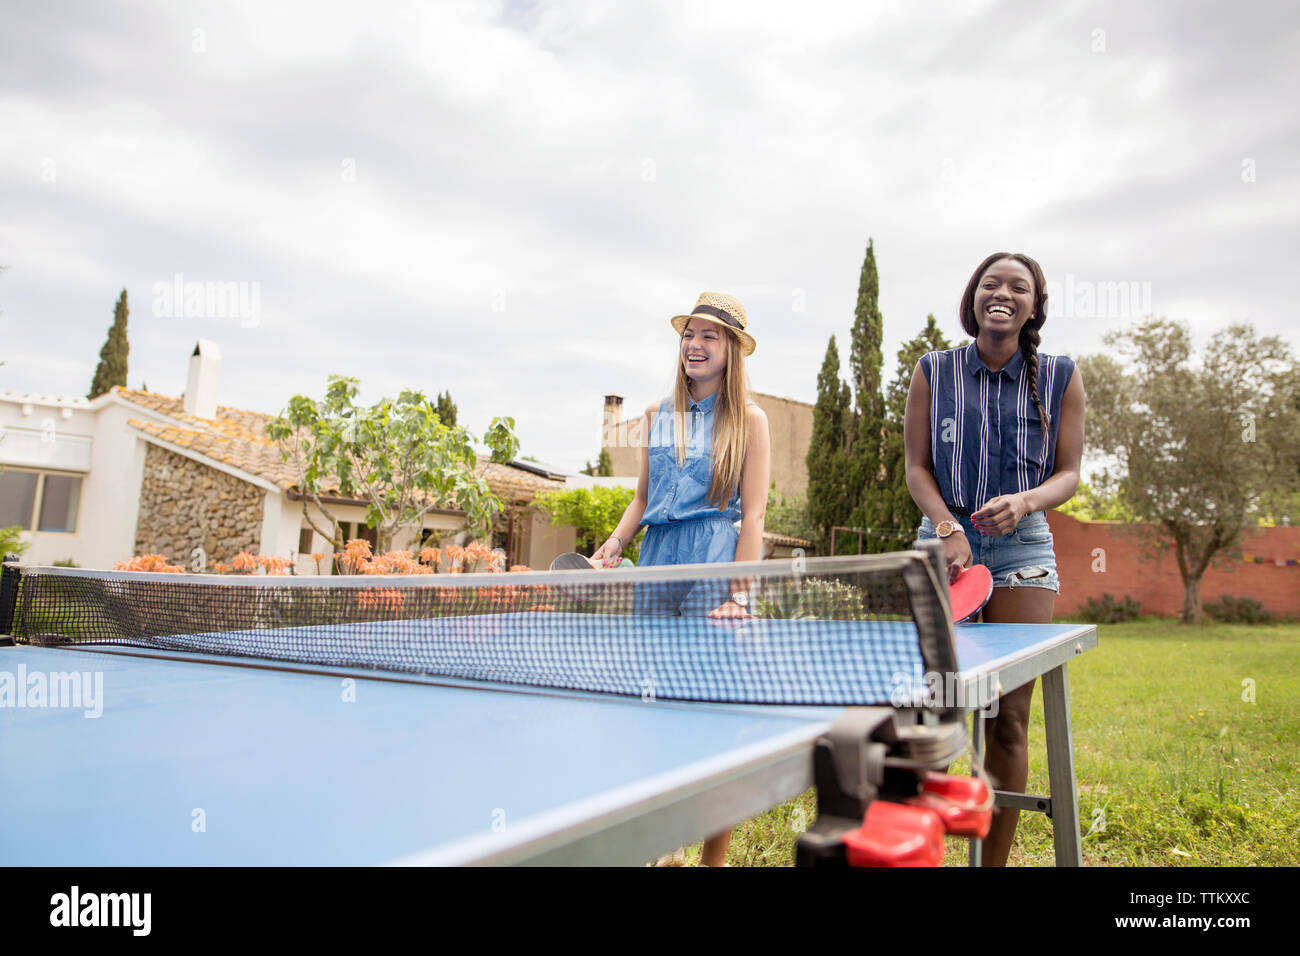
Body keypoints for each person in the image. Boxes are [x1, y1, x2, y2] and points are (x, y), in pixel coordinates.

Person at [903, 252, 1085, 866]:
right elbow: (916, 467)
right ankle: (916, 850)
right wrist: (948, 526)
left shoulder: (1060, 376)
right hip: (943, 545)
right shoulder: (934, 369)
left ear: (1035, 306)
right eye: (991, 283)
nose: (1002, 293)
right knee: (930, 708)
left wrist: (1027, 500)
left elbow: (1069, 475)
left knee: (1009, 718)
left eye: (1018, 287)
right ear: (973, 297)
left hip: (1023, 549)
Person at [593, 291, 771, 867]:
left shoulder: (751, 420)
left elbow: (754, 516)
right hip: (657, 561)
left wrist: (740, 596)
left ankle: (711, 861)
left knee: (711, 711)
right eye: (688, 335)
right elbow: (642, 497)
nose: (694, 345)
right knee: (651, 703)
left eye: (709, 336)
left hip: (715, 560)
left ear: (732, 350)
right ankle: (657, 847)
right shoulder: (654, 415)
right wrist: (617, 543)